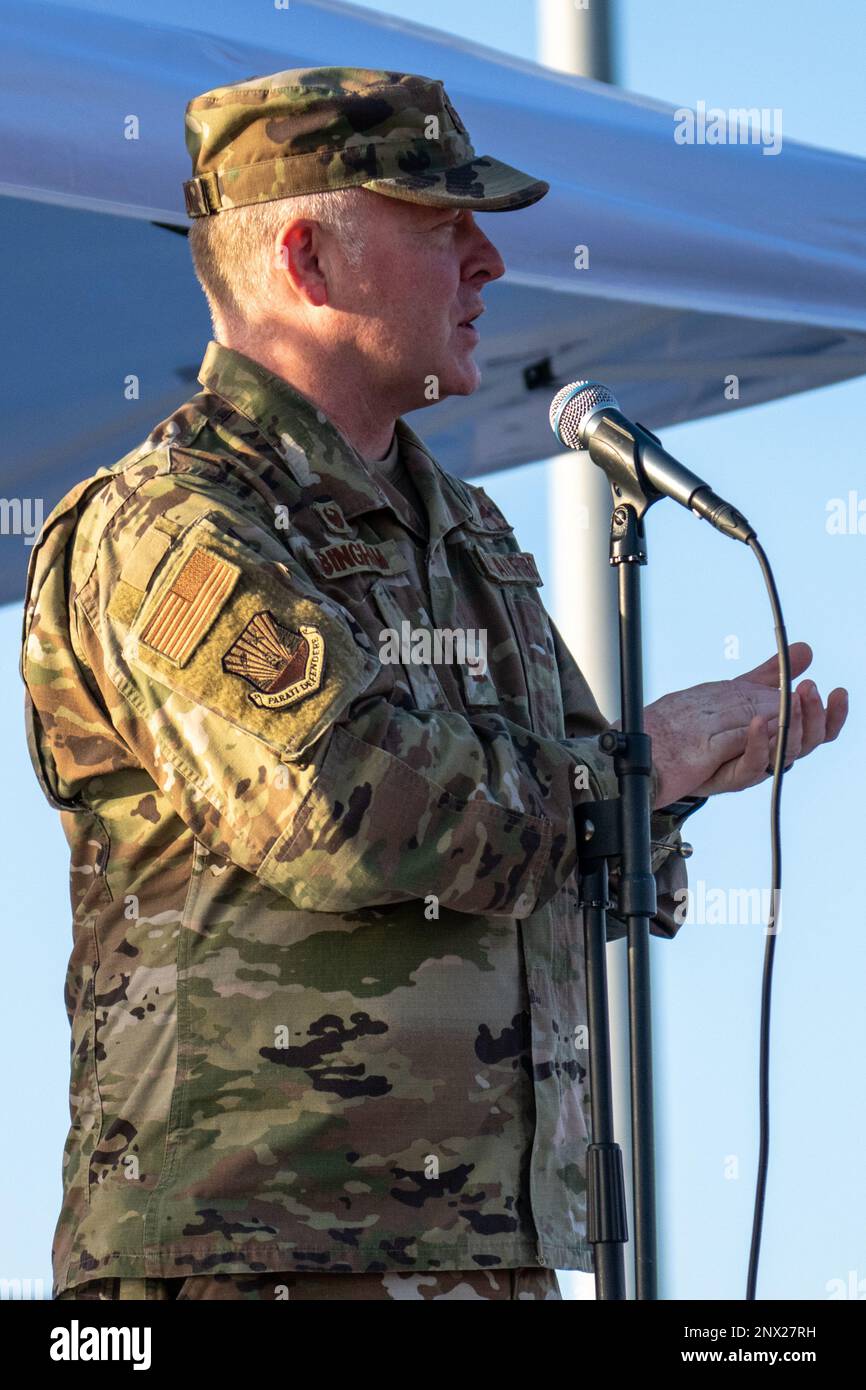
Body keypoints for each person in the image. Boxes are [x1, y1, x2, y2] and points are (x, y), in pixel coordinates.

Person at [22, 67, 847, 1303]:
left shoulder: (465, 531)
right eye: (441, 225)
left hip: (487, 1259)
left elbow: (568, 836)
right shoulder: (172, 525)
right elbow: (346, 812)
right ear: (307, 258)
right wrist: (637, 763)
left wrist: (665, 796)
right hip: (258, 1259)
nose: (489, 265)